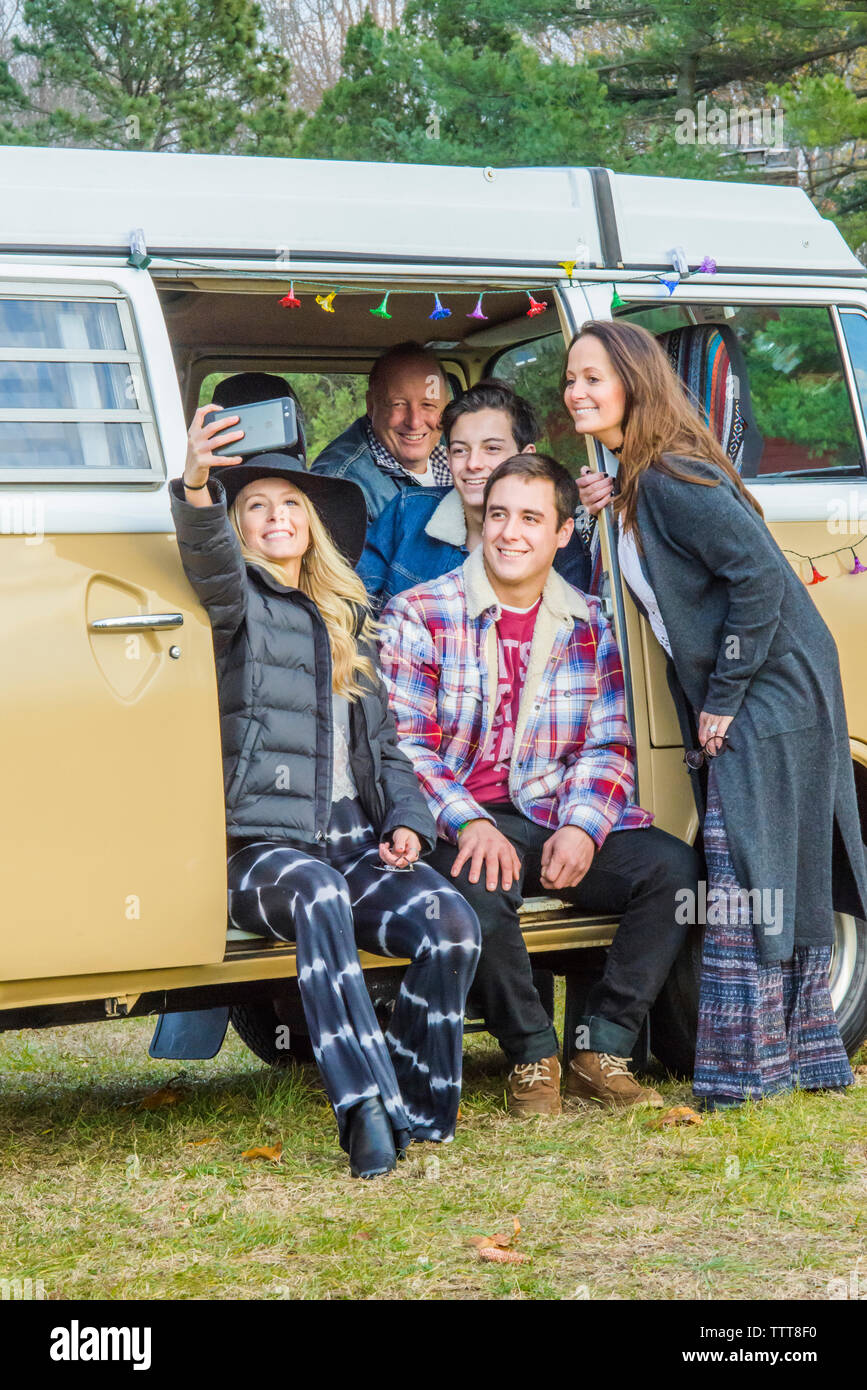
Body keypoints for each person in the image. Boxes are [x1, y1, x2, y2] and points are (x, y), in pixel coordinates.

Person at [171, 403, 481, 1177]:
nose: (276, 517)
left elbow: (386, 746)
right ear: (238, 526)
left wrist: (406, 819)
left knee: (450, 923)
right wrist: (198, 484)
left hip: (352, 836)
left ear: (312, 523)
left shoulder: (348, 616)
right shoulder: (235, 603)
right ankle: (363, 1108)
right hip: (264, 847)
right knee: (318, 893)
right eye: (256, 506)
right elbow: (205, 554)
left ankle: (416, 1103)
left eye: (290, 504)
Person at [569, 318, 867, 1107]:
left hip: (774, 688)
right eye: (570, 379)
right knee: (755, 874)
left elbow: (758, 577)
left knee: (745, 874)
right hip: (757, 687)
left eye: (592, 378)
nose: (575, 392)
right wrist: (605, 501)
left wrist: (724, 696)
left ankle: (749, 1073)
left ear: (634, 383)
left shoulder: (672, 475)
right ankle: (788, 1061)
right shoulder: (640, 481)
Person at [379, 452, 700, 1116]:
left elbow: (608, 743)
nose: (510, 533)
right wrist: (470, 822)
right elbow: (407, 746)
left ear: (561, 533)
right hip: (460, 818)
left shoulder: (590, 622)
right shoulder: (418, 612)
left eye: (530, 518)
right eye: (498, 515)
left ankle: (601, 1049)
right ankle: (531, 1054)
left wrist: (583, 826)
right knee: (477, 887)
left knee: (673, 870)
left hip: (553, 813)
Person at [358, 380, 591, 614]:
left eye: (492, 449)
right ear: (448, 457)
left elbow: (570, 627)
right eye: (460, 450)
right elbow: (353, 605)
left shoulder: (556, 540)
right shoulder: (408, 512)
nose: (473, 464)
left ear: (526, 457)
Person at [311, 341, 451, 521]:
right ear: (371, 405)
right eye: (398, 404)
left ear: (447, 407)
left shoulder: (459, 452)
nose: (414, 422)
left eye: (428, 405)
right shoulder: (343, 485)